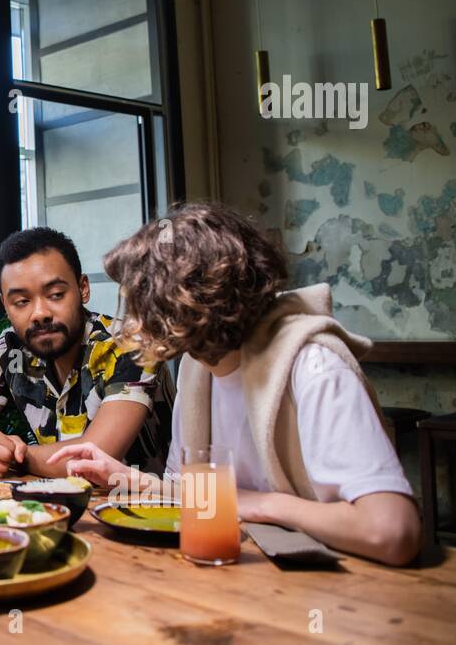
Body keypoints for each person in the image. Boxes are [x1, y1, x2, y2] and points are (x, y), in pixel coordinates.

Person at [47, 203, 421, 566]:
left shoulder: (314, 366)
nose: (131, 320)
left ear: (194, 301)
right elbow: (193, 495)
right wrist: (124, 476)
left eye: (145, 300)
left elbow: (392, 532)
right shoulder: (198, 368)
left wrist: (261, 503)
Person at [0, 227, 172, 479]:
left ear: (83, 288)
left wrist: (14, 455)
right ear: (6, 306)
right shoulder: (11, 351)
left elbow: (93, 457)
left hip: (146, 510)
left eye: (55, 295)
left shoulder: (130, 344)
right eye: (21, 301)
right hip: (59, 504)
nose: (40, 313)